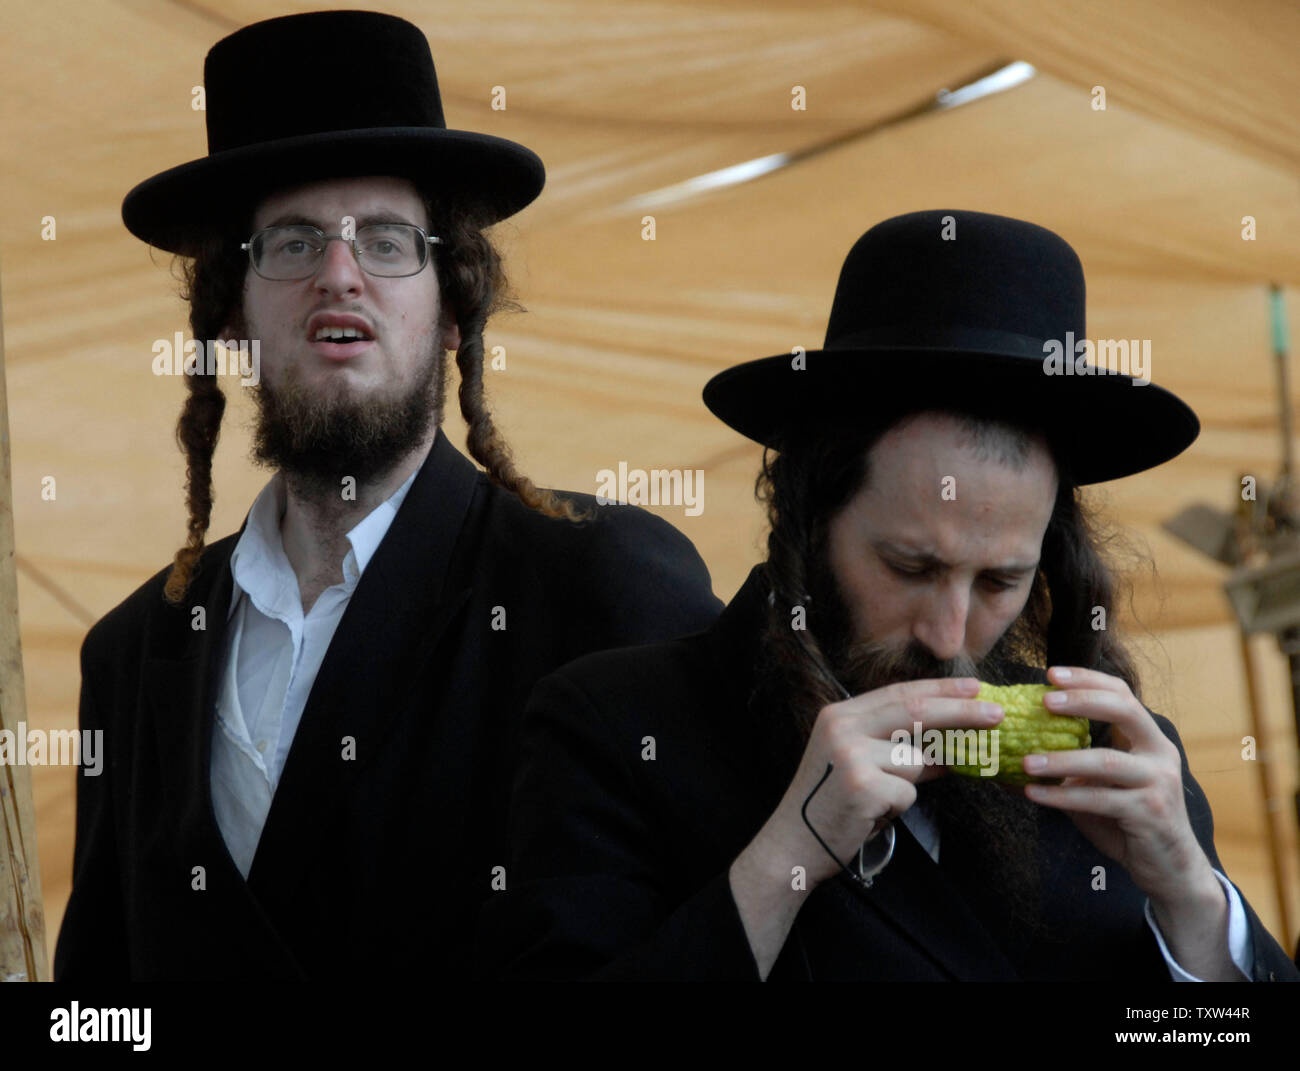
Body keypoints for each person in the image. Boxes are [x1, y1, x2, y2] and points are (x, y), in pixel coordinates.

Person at [53, 10, 720, 979]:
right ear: (231, 314)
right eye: (290, 242)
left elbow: (731, 924)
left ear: (452, 303)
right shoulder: (131, 652)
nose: (338, 275)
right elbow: (100, 1000)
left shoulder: (598, 582)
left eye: (387, 241)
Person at [477, 209, 1300, 982]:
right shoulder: (616, 729)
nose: (949, 636)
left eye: (999, 582)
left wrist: (1195, 903)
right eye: (911, 568)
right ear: (810, 518)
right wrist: (785, 859)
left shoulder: (1119, 761)